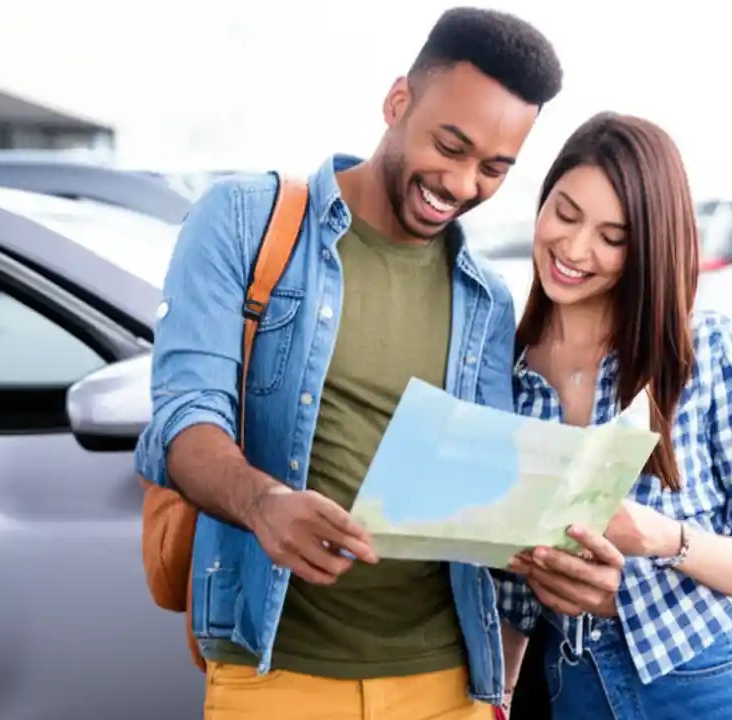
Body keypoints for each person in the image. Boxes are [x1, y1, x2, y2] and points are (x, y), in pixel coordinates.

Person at [134, 8, 620, 720]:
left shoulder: (486, 299)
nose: (460, 184)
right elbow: (185, 419)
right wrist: (263, 503)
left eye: (493, 168)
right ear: (398, 102)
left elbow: (486, 503)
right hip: (276, 675)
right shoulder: (244, 221)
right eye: (449, 147)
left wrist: (571, 570)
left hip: (447, 680)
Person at [494, 112, 732, 720]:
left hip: (714, 678)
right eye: (564, 213)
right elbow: (516, 596)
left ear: (645, 248)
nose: (575, 248)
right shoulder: (507, 370)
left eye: (612, 237)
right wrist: (501, 695)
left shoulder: (702, 352)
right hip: (581, 689)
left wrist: (663, 539)